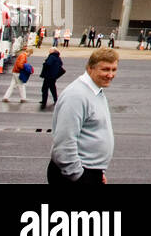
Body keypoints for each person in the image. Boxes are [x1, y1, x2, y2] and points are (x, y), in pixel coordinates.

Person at [48, 48, 118, 184]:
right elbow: (64, 142)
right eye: (105, 69)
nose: (110, 75)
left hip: (90, 171)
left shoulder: (95, 91)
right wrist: (79, 176)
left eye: (114, 69)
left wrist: (98, 172)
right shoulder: (77, 95)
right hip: (74, 176)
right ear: (90, 68)